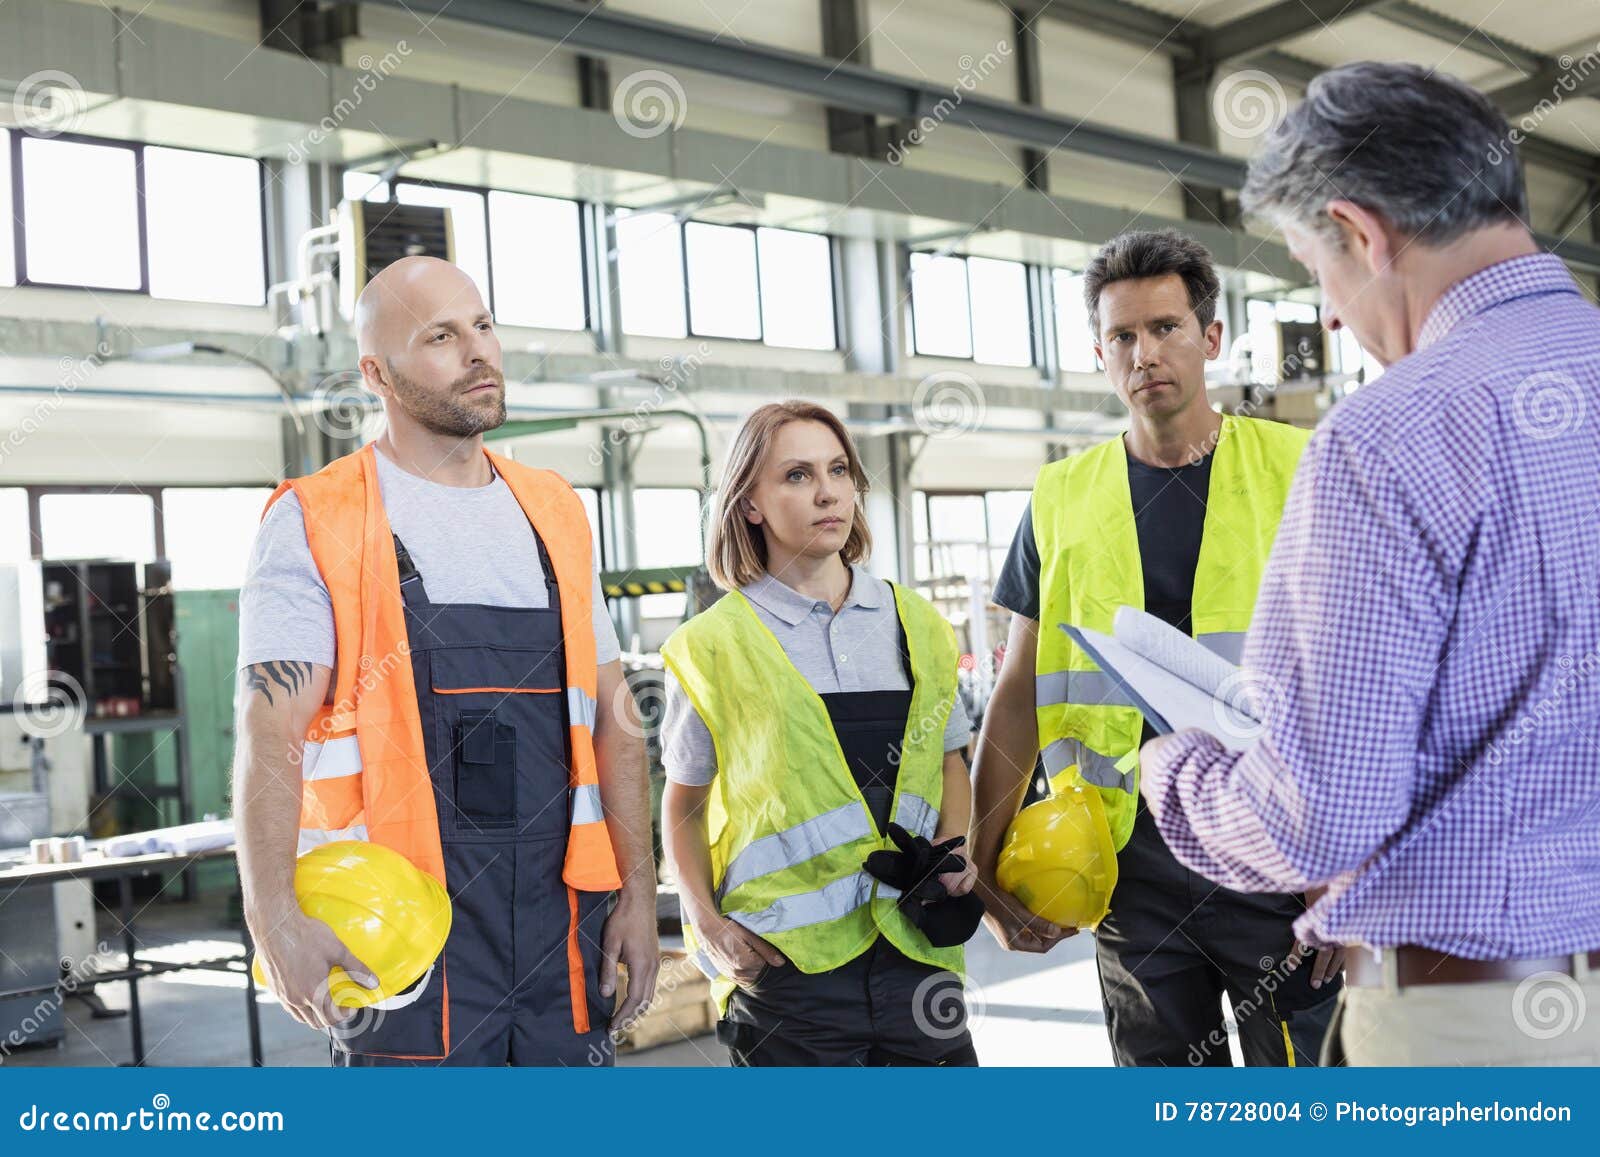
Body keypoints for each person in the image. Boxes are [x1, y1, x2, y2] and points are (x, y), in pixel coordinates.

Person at [1138, 62, 1600, 1067]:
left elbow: (1320, 811)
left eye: (1317, 266)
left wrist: (1171, 774)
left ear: (1358, 229)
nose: (1334, 315)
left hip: (1484, 1031)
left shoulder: (1392, 435)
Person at [234, 255, 659, 1066]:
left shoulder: (556, 511)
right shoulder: (319, 518)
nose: (477, 352)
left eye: (484, 326)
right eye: (440, 336)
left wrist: (640, 896)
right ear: (377, 373)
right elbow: (269, 729)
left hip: (564, 933)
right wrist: (273, 916)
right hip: (402, 936)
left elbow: (616, 719)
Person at [970, 229, 1341, 1067]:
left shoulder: (1300, 468)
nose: (1145, 353)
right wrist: (982, 861)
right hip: (1128, 878)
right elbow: (1018, 690)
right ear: (1100, 352)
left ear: (1210, 339)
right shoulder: (1061, 496)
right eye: (1123, 336)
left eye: (1167, 328)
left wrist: (1347, 863)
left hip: (1280, 862)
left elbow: (1359, 680)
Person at [660, 400, 982, 1066]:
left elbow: (950, 760)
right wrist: (708, 925)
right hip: (787, 976)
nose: (829, 490)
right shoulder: (712, 645)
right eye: (798, 475)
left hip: (916, 950)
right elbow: (684, 802)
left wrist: (954, 850)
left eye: (838, 469)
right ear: (750, 503)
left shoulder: (915, 622)